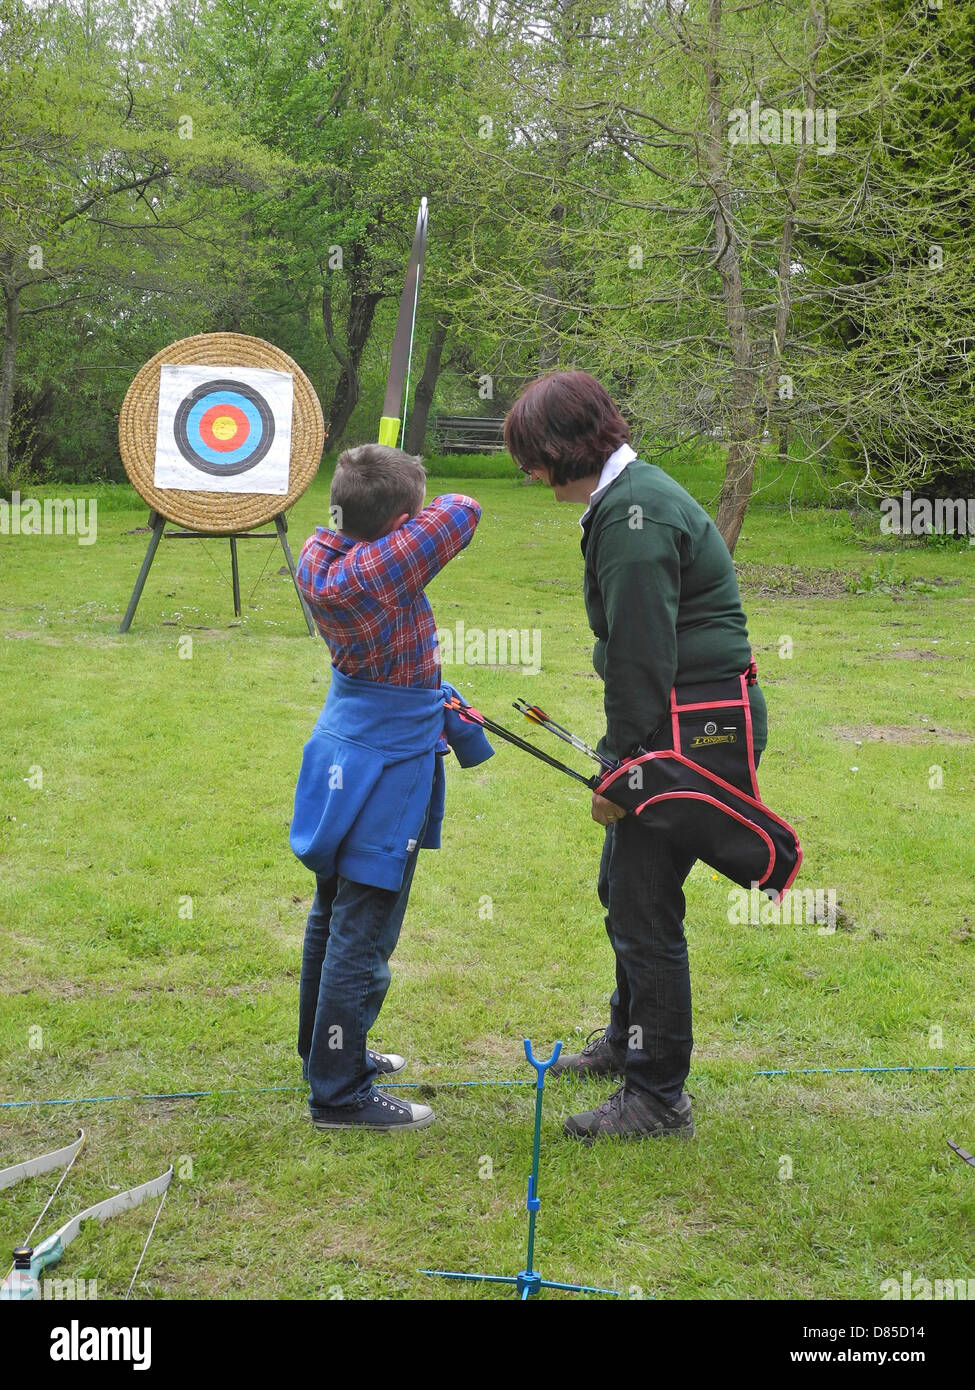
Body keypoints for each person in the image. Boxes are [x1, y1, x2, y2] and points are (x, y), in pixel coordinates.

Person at [504, 371, 768, 1143]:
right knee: (623, 889)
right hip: (685, 719)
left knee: (643, 908)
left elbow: (640, 656)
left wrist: (617, 770)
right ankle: (626, 1044)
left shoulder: (633, 517)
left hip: (694, 728)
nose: (526, 471)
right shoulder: (626, 498)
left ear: (560, 447)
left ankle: (657, 1098)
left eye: (529, 454)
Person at [289, 444, 489, 1131]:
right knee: (363, 932)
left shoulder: (319, 555)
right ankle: (339, 1094)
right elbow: (463, 510)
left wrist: (379, 497)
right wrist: (405, 512)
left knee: (331, 910)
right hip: (386, 767)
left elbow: (359, 519)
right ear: (402, 521)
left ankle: (325, 1053)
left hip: (344, 746)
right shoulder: (380, 571)